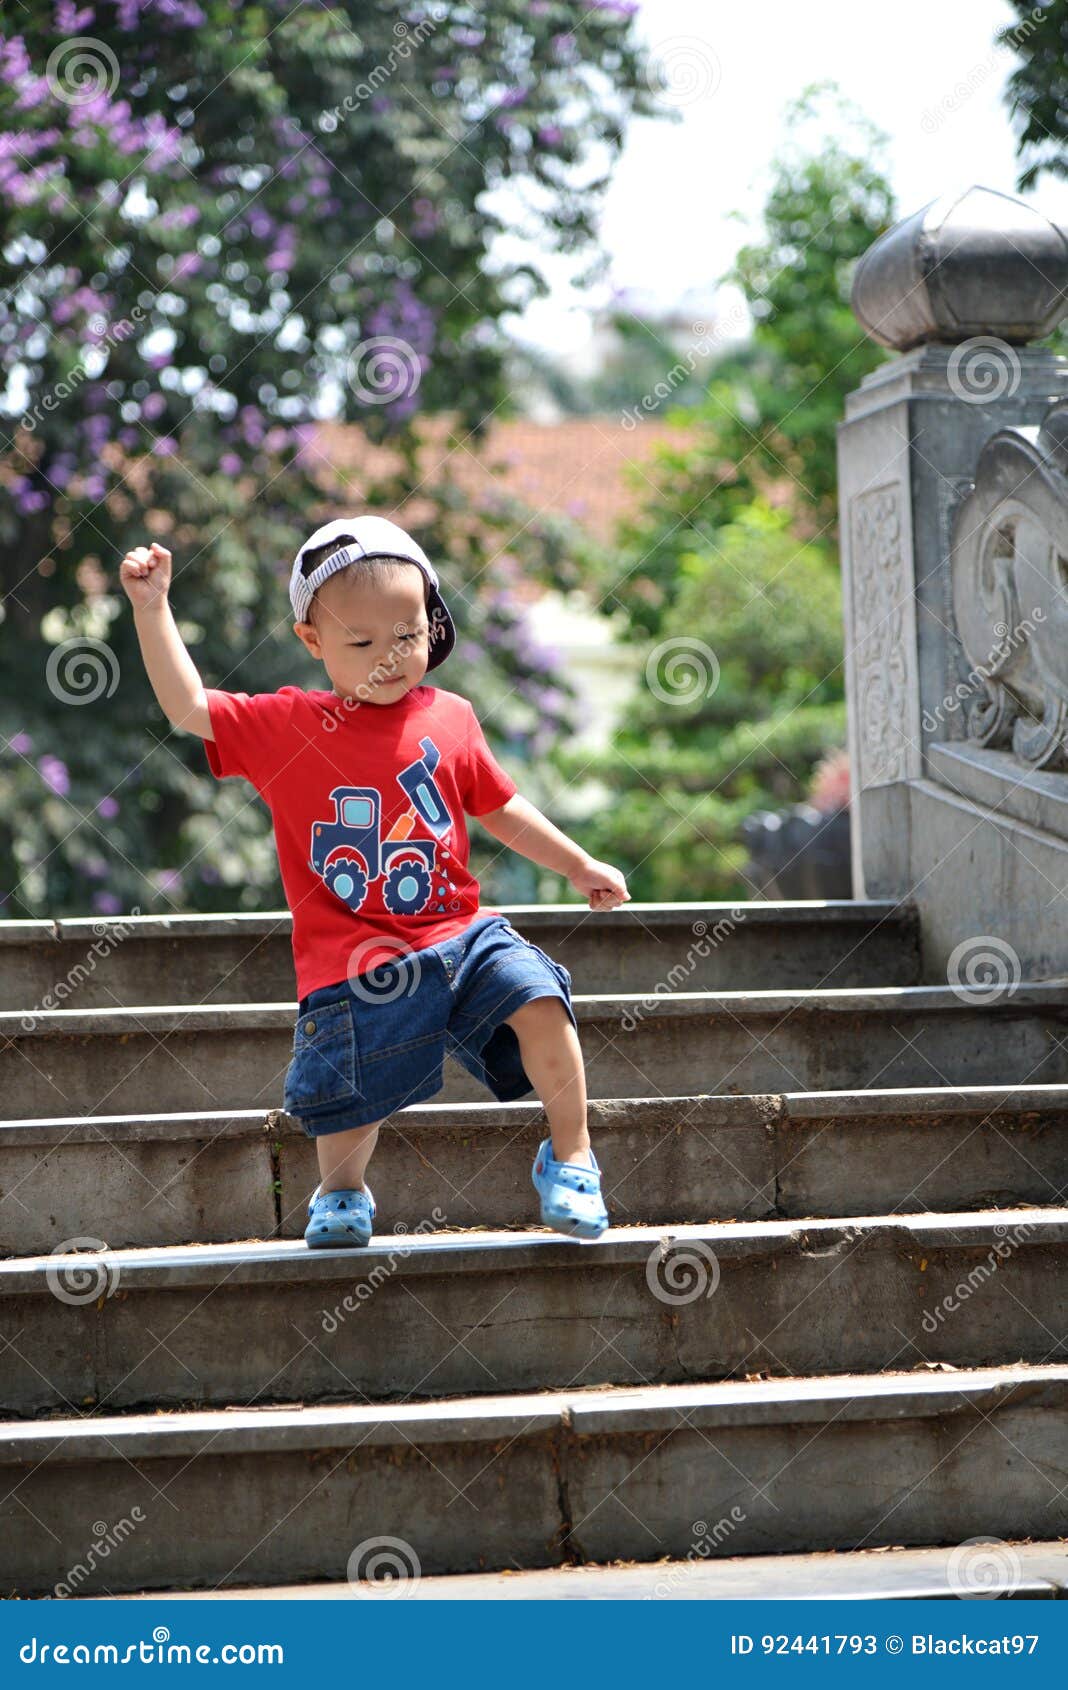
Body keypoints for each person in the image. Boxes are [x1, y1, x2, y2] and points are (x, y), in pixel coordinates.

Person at [120, 514, 630, 1250]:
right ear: (313, 642)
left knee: (540, 995)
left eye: (409, 634)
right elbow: (188, 707)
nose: (390, 657)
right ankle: (342, 1190)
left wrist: (578, 863)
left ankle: (574, 1157)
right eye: (362, 642)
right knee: (346, 1085)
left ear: (433, 622)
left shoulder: (452, 719)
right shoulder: (290, 725)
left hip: (460, 932)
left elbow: (502, 809)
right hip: (354, 954)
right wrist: (151, 607)